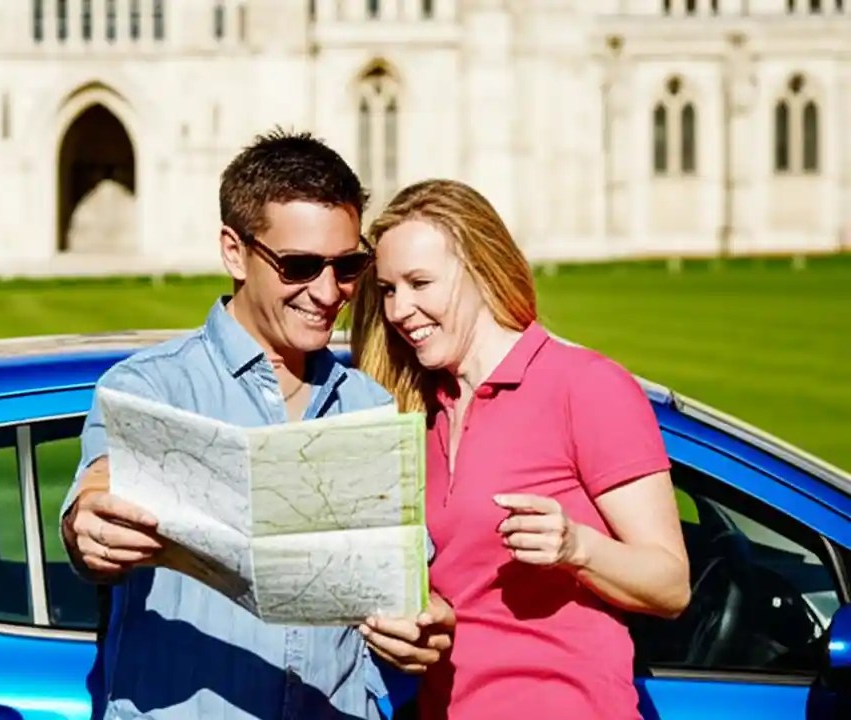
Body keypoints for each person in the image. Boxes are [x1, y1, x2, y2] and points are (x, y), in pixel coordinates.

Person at [58, 129, 455, 720]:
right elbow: (96, 493)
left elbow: (406, 588)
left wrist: (428, 625)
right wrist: (86, 523)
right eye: (299, 266)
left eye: (348, 266)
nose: (328, 293)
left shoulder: (369, 407)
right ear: (233, 252)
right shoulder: (149, 387)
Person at [348, 179, 691, 720]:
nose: (399, 310)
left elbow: (670, 585)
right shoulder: (420, 409)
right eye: (389, 289)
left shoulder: (585, 385)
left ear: (481, 270)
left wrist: (577, 547)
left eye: (420, 283)